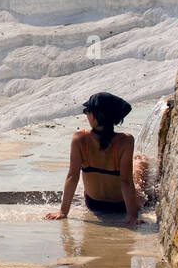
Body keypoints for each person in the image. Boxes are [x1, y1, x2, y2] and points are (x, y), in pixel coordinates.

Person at [45, 92, 146, 226]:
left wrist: (63, 211)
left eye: (87, 111)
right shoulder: (126, 141)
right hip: (120, 206)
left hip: (93, 204)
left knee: (136, 165)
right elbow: (126, 181)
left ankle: (138, 161)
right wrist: (132, 216)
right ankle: (139, 161)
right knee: (140, 165)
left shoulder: (79, 138)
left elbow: (72, 177)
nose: (86, 114)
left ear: (95, 116)